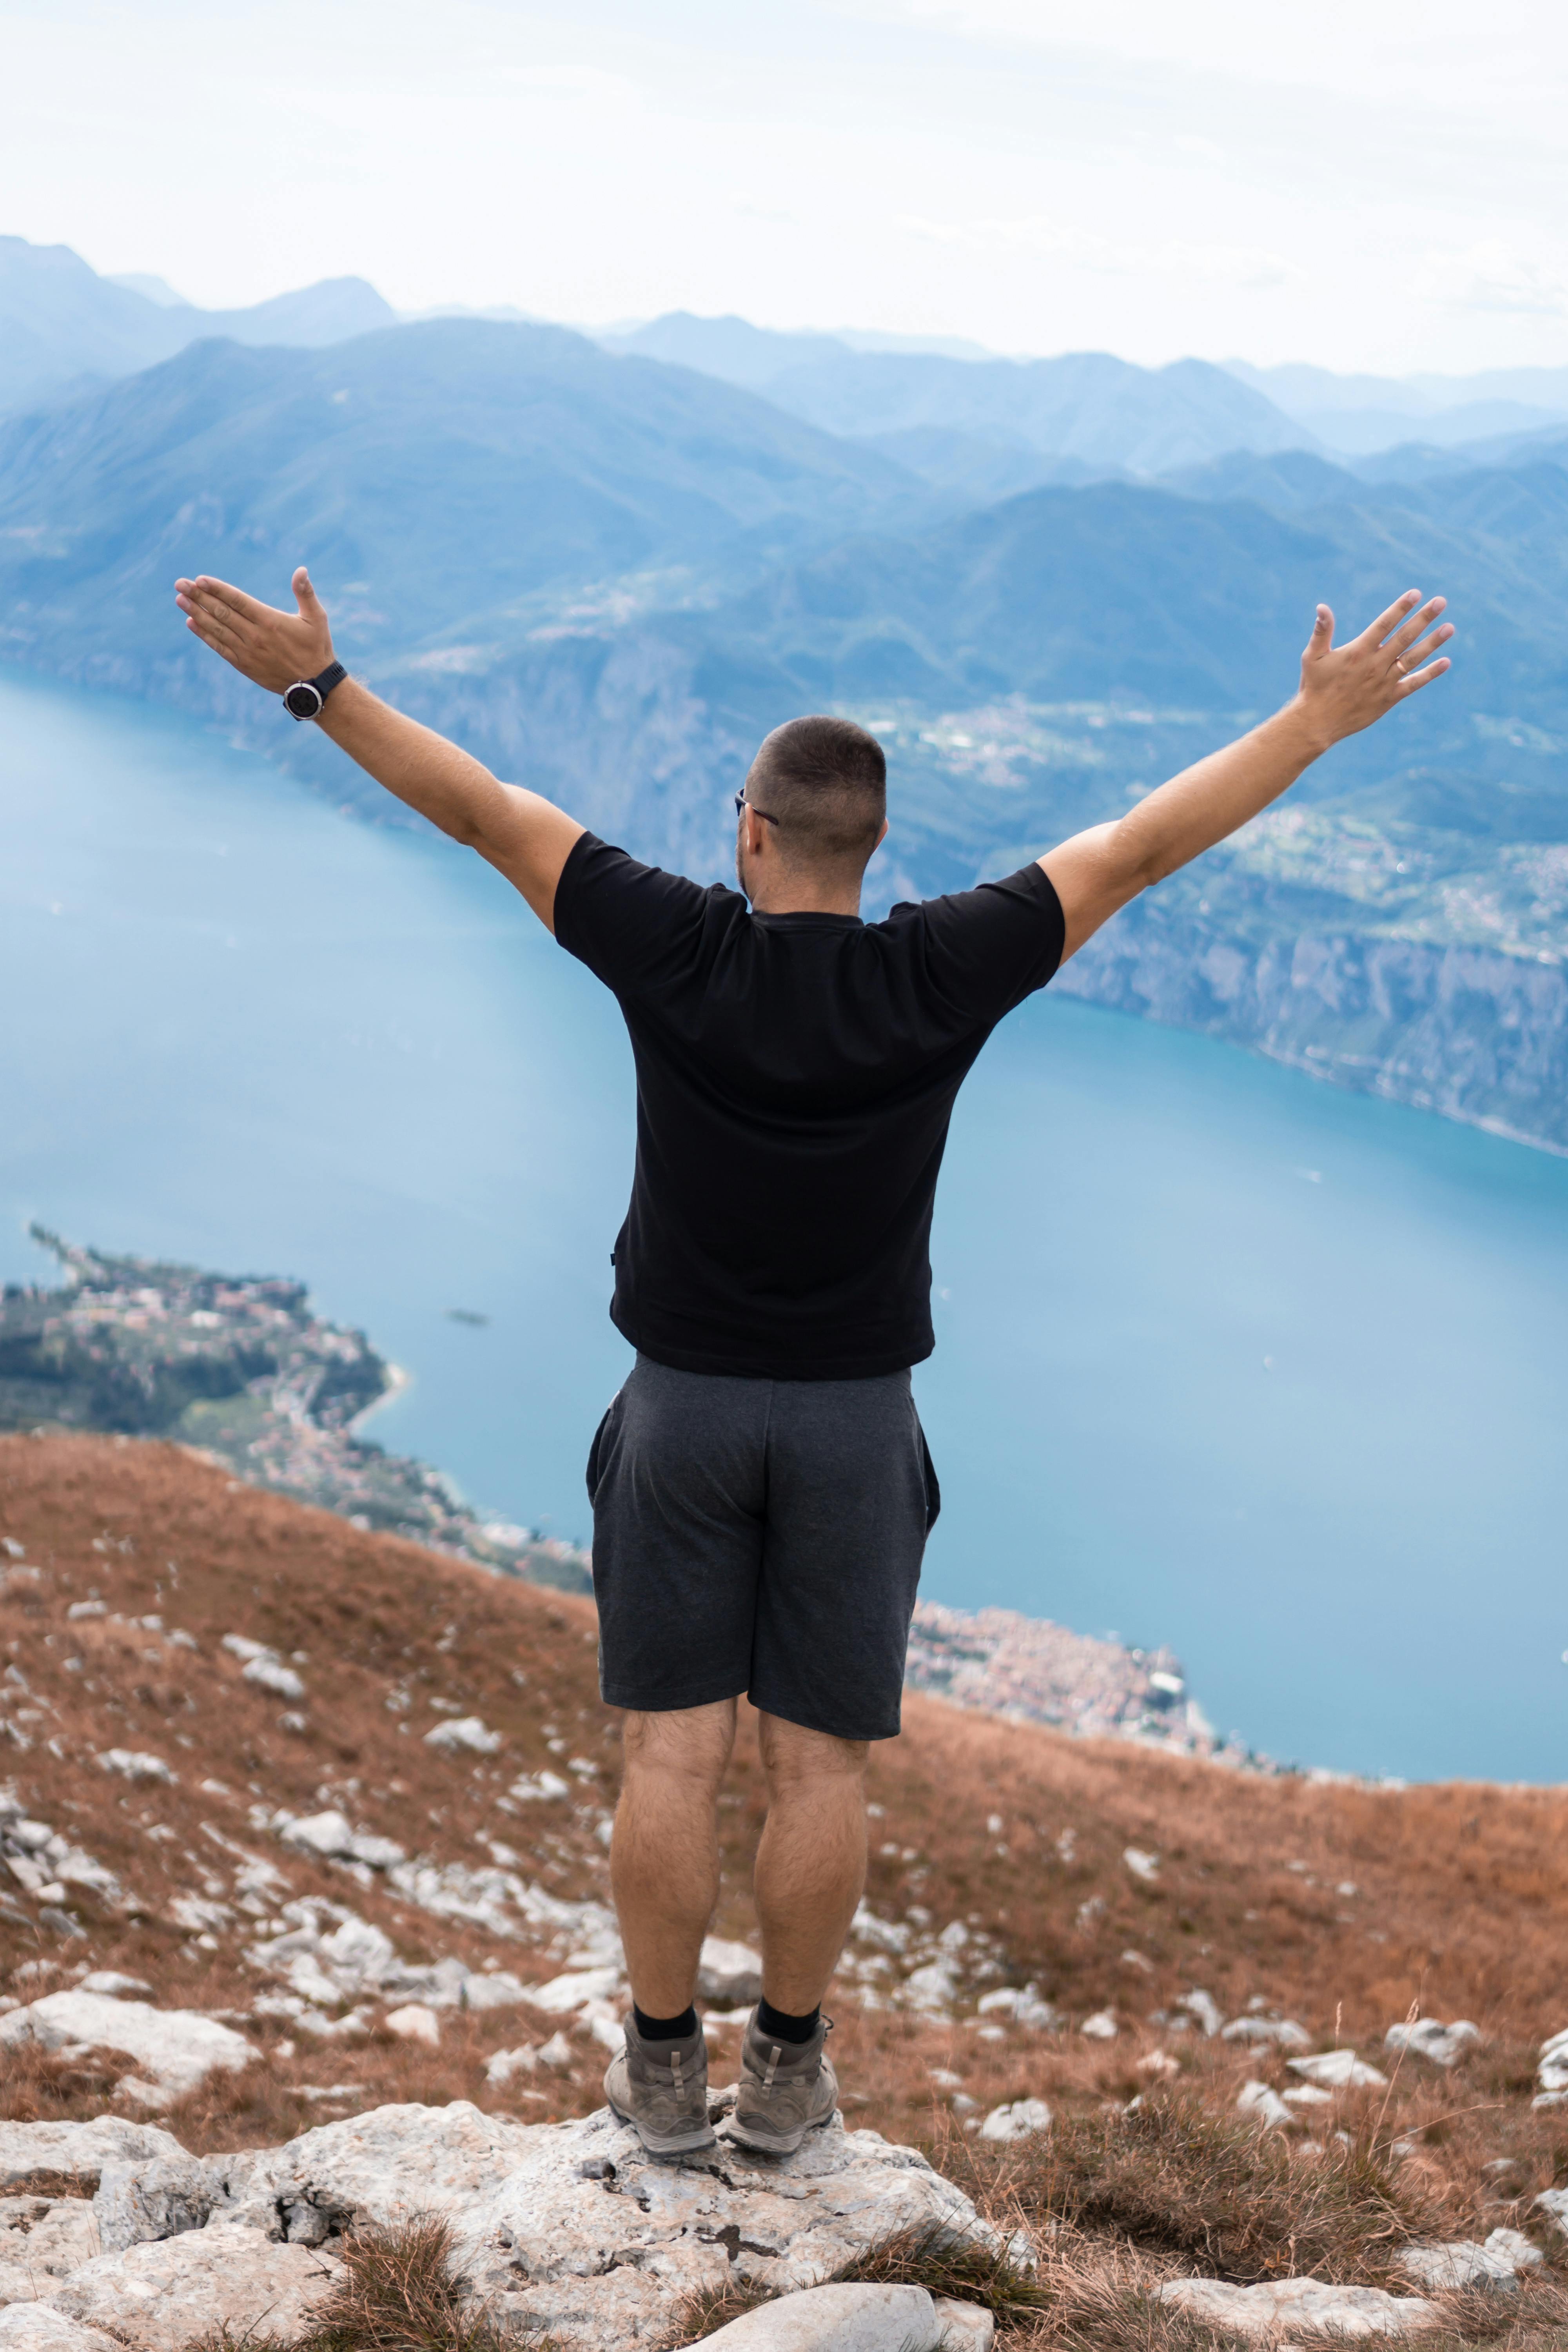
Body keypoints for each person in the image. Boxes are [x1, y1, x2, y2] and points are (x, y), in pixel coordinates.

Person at [174, 564, 1451, 2154]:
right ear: (873, 842)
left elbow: (487, 812)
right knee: (819, 1768)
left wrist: (321, 686)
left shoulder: (677, 948)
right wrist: (1313, 724)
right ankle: (784, 2074)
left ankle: (657, 2070)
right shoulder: (942, 969)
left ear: (750, 830)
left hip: (682, 1411)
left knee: (669, 1752)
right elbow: (1143, 844)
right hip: (856, 1423)